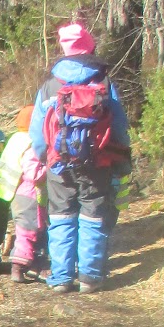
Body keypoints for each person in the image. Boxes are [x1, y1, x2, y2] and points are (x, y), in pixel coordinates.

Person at [28, 22, 131, 293]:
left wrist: (44, 156)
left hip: (58, 163)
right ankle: (89, 277)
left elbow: (37, 131)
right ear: (89, 45)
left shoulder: (50, 85)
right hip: (98, 161)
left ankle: (61, 277)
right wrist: (121, 156)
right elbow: (119, 125)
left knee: (61, 216)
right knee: (93, 216)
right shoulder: (104, 81)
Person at [0, 106, 46, 282]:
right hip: (29, 194)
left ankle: (29, 264)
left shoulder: (16, 139)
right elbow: (33, 173)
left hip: (13, 192)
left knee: (25, 229)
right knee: (29, 231)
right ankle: (19, 266)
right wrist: (49, 170)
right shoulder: (31, 143)